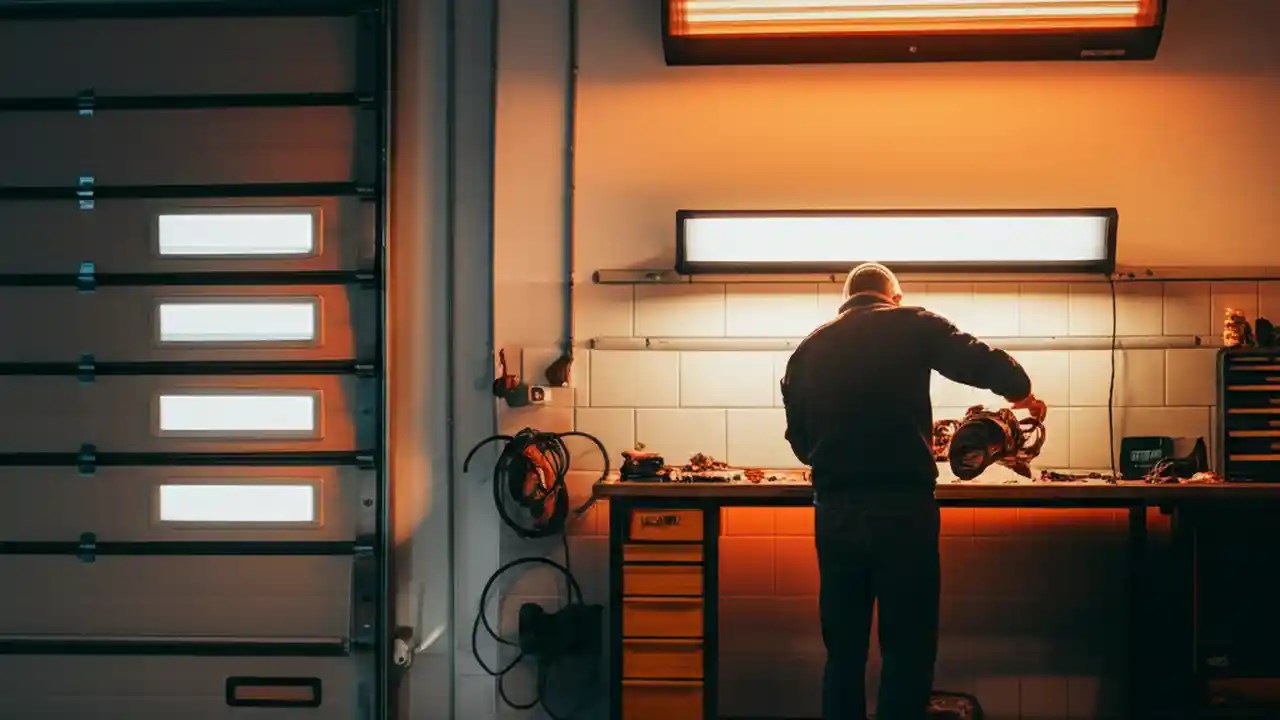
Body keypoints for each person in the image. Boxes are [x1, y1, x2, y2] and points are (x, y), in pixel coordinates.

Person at [780, 263, 1046, 720]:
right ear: (894, 297)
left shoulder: (808, 349)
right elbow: (976, 358)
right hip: (903, 508)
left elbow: (801, 443)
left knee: (843, 650)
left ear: (845, 302)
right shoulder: (912, 322)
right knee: (908, 646)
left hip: (836, 510)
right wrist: (1020, 393)